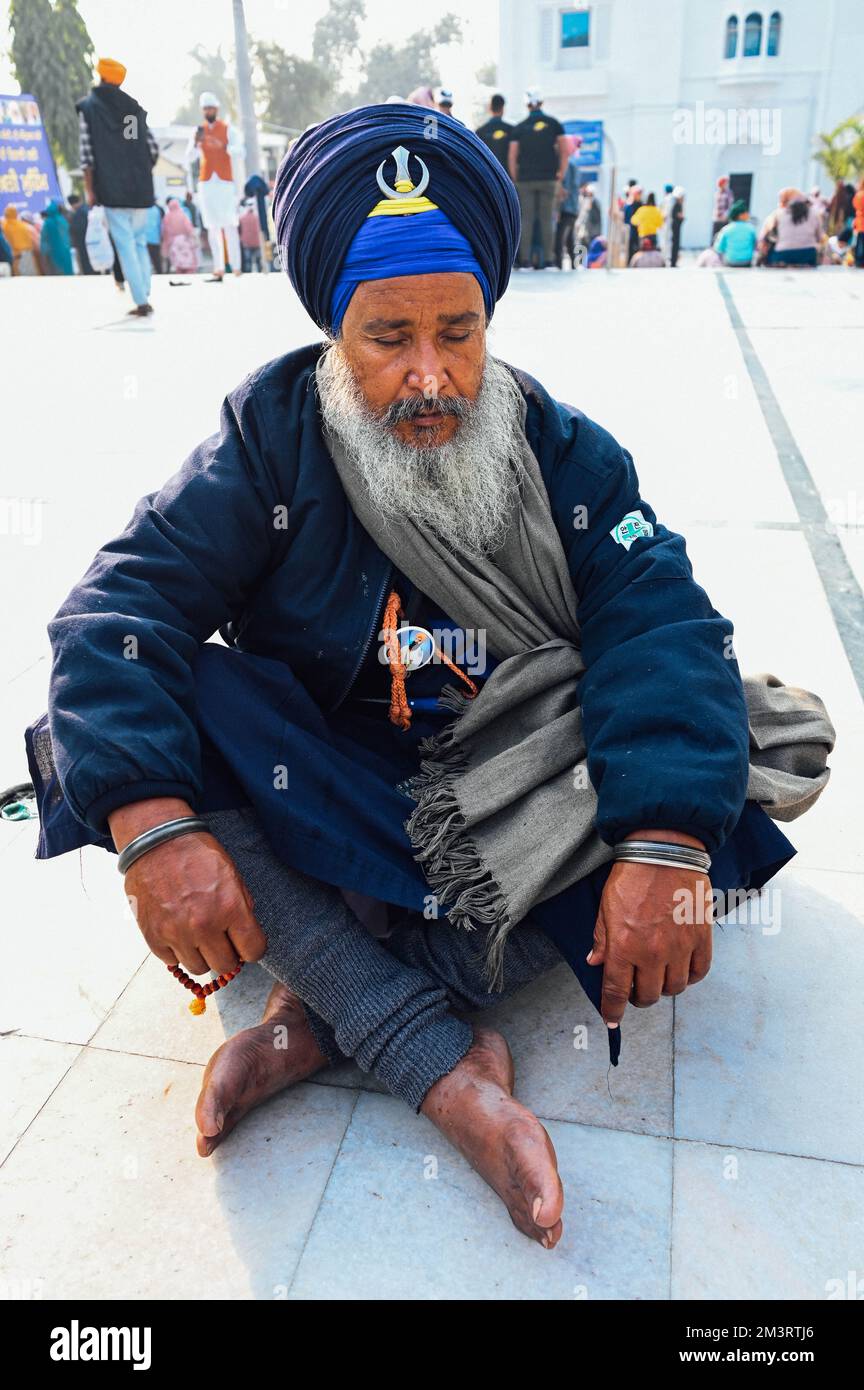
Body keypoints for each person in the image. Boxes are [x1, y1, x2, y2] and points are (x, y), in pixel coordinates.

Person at [29, 103, 831, 1249]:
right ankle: (440, 1058)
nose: (428, 376)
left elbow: (662, 618)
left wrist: (665, 843)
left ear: (492, 320)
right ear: (329, 330)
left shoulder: (565, 452)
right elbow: (121, 606)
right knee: (119, 739)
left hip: (508, 790)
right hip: (327, 792)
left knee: (705, 774)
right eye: (385, 336)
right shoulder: (269, 437)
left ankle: (330, 1006)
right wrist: (154, 826)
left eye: (458, 331)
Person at [76, 57, 158, 316]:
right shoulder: (132, 109)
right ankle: (143, 291)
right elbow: (150, 149)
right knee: (139, 241)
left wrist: (91, 190)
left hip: (112, 191)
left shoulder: (89, 108)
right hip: (140, 189)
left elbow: (87, 156)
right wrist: (138, 174)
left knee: (125, 244)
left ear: (100, 77)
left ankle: (141, 301)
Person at [508, 89, 569, 269]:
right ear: (541, 103)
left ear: (527, 105)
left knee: (526, 220)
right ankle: (549, 260)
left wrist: (515, 177)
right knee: (547, 219)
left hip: (525, 179)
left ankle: (525, 261)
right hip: (549, 178)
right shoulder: (554, 124)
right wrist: (561, 173)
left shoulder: (519, 128)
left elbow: (512, 156)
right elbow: (564, 151)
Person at [187, 92, 244, 281]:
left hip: (225, 183)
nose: (208, 111)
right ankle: (218, 267)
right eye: (205, 109)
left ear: (216, 109)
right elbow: (189, 158)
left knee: (229, 225)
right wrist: (196, 143)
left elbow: (240, 151)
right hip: (206, 183)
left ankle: (236, 266)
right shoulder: (198, 131)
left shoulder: (228, 130)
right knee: (212, 227)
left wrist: (224, 146)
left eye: (211, 108)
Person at [760, 188, 822, 267]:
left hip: (783, 254)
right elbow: (819, 238)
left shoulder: (778, 214)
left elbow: (764, 237)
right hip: (808, 254)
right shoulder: (815, 214)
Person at [160, 196, 199, 273]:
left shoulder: (167, 217)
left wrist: (165, 246)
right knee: (187, 261)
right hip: (185, 241)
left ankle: (180, 275)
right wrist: (194, 238)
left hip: (173, 243)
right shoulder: (183, 215)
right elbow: (189, 228)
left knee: (178, 262)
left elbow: (165, 232)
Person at [713, 200, 757, 266]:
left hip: (730, 261)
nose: (748, 214)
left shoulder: (726, 229)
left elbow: (719, 248)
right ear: (740, 215)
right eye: (746, 213)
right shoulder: (751, 228)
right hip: (747, 262)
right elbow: (755, 245)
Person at [474, 94, 512, 169]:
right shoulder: (511, 129)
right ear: (502, 109)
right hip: (506, 174)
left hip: (489, 172)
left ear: (490, 108)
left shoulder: (480, 131)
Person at [39, 199, 74, 275]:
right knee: (68, 269)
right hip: (65, 251)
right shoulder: (62, 220)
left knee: (57, 273)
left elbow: (44, 240)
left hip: (53, 253)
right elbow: (68, 235)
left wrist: (44, 255)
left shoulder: (47, 223)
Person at [1, 203, 35, 274]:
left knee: (19, 276)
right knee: (30, 273)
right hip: (27, 253)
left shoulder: (5, 226)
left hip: (16, 256)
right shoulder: (22, 225)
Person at [67, 193, 93, 274]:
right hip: (93, 242)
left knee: (88, 266)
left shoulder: (79, 213)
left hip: (84, 244)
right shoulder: (87, 209)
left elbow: (76, 229)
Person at [239, 200, 263, 272]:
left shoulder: (242, 218)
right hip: (257, 241)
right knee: (258, 260)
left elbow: (239, 230)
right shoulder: (257, 217)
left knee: (248, 261)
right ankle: (260, 273)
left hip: (246, 242)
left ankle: (248, 274)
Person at [624, 184, 643, 263]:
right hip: (630, 231)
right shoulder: (629, 205)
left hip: (639, 231)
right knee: (630, 248)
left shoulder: (641, 204)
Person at [145, 202, 163, 274]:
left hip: (145, 238)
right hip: (155, 239)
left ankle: (146, 272)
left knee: (145, 258)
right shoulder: (156, 210)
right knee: (156, 258)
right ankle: (159, 272)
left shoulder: (143, 210)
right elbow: (159, 225)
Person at [669, 185, 685, 266]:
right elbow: (678, 215)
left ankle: (674, 261)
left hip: (676, 227)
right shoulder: (677, 205)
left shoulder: (678, 205)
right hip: (675, 227)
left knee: (676, 244)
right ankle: (673, 262)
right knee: (675, 244)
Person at [712, 175, 731, 239]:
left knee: (723, 236)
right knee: (715, 236)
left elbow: (729, 205)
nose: (726, 184)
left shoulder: (728, 193)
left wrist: (726, 215)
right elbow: (716, 206)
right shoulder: (717, 193)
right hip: (717, 218)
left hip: (724, 219)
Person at [659, 183, 675, 260]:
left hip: (667, 221)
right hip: (668, 221)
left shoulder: (669, 198)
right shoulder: (671, 198)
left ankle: (666, 256)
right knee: (666, 239)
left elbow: (667, 211)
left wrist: (663, 219)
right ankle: (666, 255)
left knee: (666, 239)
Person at [853, 175, 864, 270]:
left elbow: (855, 205)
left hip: (861, 223)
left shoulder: (859, 194)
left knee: (860, 243)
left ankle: (859, 261)